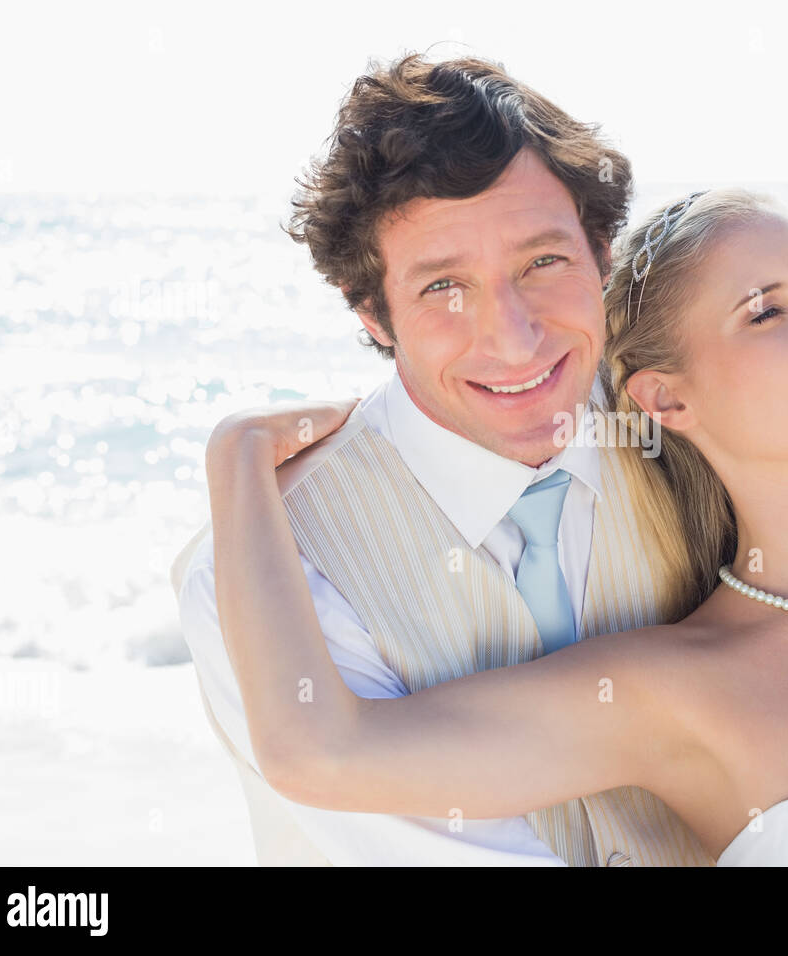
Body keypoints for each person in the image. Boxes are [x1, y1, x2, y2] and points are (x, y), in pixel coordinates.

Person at [205, 96, 788, 865]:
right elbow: (315, 751)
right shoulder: (667, 690)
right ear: (664, 399)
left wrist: (766, 293)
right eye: (764, 314)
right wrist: (237, 461)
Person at [172, 51, 717, 866]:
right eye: (443, 289)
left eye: (543, 262)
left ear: (602, 254)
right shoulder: (269, 573)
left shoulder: (692, 420)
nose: (513, 337)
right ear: (372, 313)